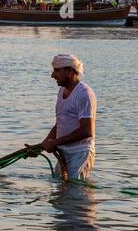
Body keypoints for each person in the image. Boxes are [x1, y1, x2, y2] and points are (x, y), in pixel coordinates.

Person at [26, 53, 96, 182]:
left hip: (79, 153)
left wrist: (54, 143)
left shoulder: (83, 93)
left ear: (69, 71)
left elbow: (87, 131)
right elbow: (60, 124)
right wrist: (41, 146)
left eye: (57, 70)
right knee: (61, 193)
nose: (52, 75)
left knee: (74, 190)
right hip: (63, 152)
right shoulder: (61, 91)